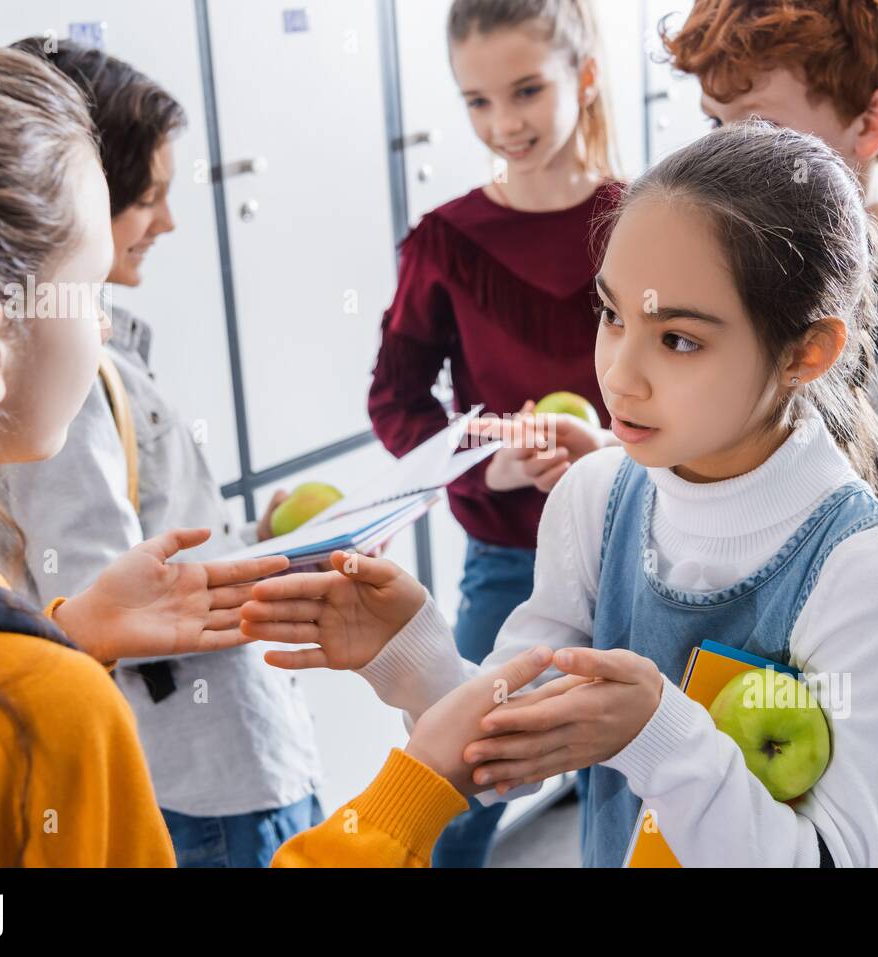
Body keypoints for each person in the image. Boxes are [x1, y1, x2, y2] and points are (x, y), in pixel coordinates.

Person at [245, 122, 878, 867]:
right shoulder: (595, 499)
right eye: (612, 315)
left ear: (808, 353)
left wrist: (658, 733)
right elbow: (512, 751)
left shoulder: (866, 573)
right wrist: (410, 651)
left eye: (678, 339)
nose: (618, 375)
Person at [0, 29, 284, 866]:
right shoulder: (52, 712)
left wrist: (68, 631)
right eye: (84, 288)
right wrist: (414, 784)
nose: (99, 323)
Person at [0, 40, 325, 867]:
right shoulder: (57, 384)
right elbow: (113, 597)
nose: (168, 221)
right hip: (204, 771)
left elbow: (141, 549)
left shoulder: (93, 358)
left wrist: (260, 535)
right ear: (84, 193)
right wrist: (289, 566)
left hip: (226, 757)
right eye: (151, 195)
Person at [664, 0, 878, 708]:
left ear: (873, 123)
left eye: (758, 125)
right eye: (715, 125)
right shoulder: (772, 282)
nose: (726, 159)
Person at [366, 0, 620, 866]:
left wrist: (613, 454)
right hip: (510, 560)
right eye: (477, 101)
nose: (502, 124)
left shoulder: (649, 221)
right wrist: (491, 466)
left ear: (583, 78)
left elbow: (702, 382)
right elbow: (397, 404)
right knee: (464, 774)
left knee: (636, 782)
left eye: (525, 91)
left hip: (642, 546)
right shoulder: (445, 242)